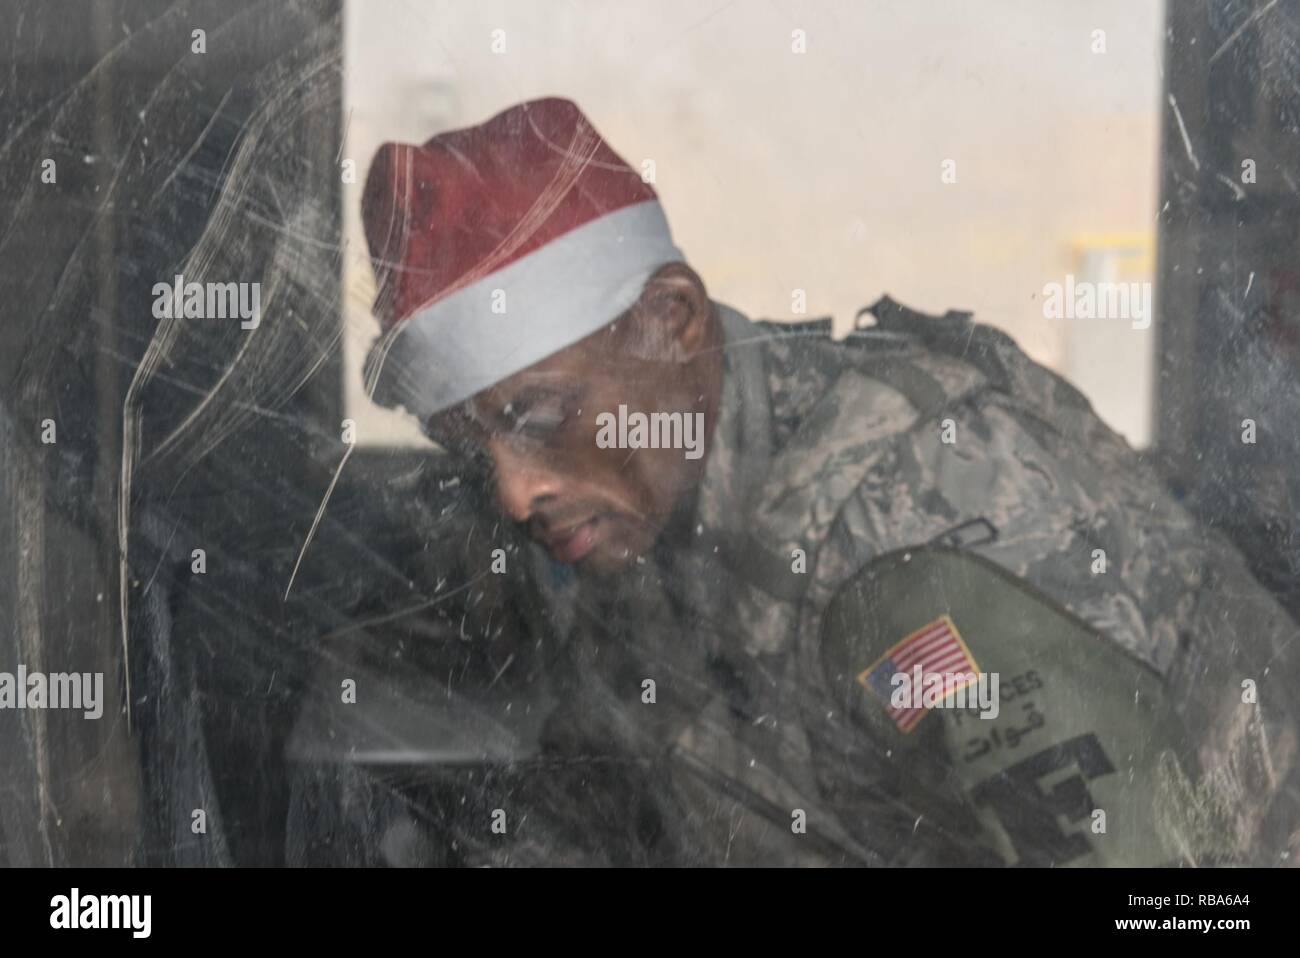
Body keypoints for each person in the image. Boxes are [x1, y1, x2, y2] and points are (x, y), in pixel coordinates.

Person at [355, 97, 1299, 866]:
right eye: (472, 448)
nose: (515, 493)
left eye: (538, 416)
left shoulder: (911, 511)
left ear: (671, 320)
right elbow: (596, 813)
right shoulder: (632, 534)